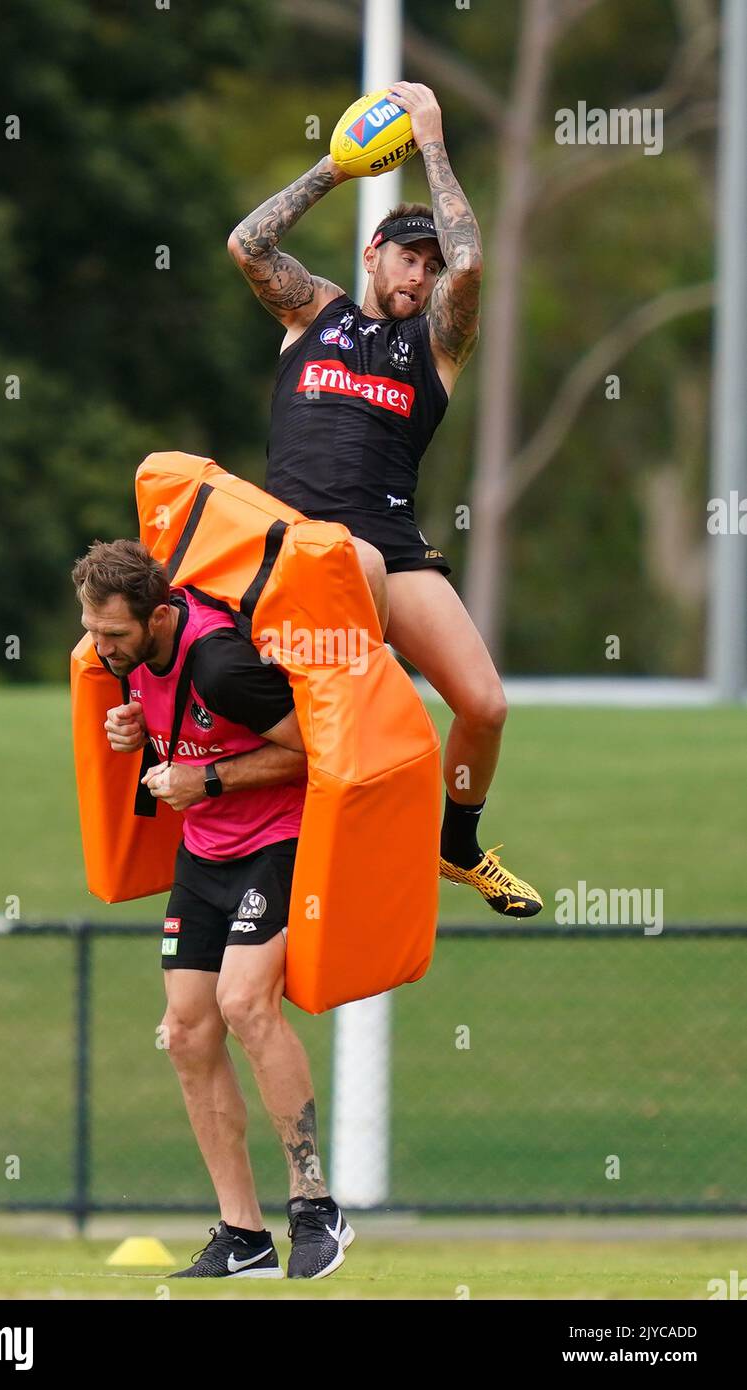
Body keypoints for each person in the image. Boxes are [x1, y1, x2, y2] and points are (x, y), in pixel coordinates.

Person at [227, 80, 542, 917]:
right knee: (346, 602)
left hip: (390, 547)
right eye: (410, 257)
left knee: (484, 704)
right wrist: (335, 167)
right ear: (372, 254)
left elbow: (472, 263)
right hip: (298, 544)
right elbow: (247, 244)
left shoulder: (435, 345)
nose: (423, 274)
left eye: (429, 265)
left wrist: (431, 139)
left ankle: (457, 844)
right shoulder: (316, 315)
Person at [71, 538, 354, 1279]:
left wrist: (210, 780)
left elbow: (311, 752)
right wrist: (138, 733)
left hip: (276, 841)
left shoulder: (223, 663)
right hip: (204, 855)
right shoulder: (132, 657)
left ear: (161, 616)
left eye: (115, 636)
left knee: (245, 1006)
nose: (100, 650)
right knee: (188, 1032)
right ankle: (243, 1235)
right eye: (92, 632)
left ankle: (315, 1208)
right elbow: (180, 731)